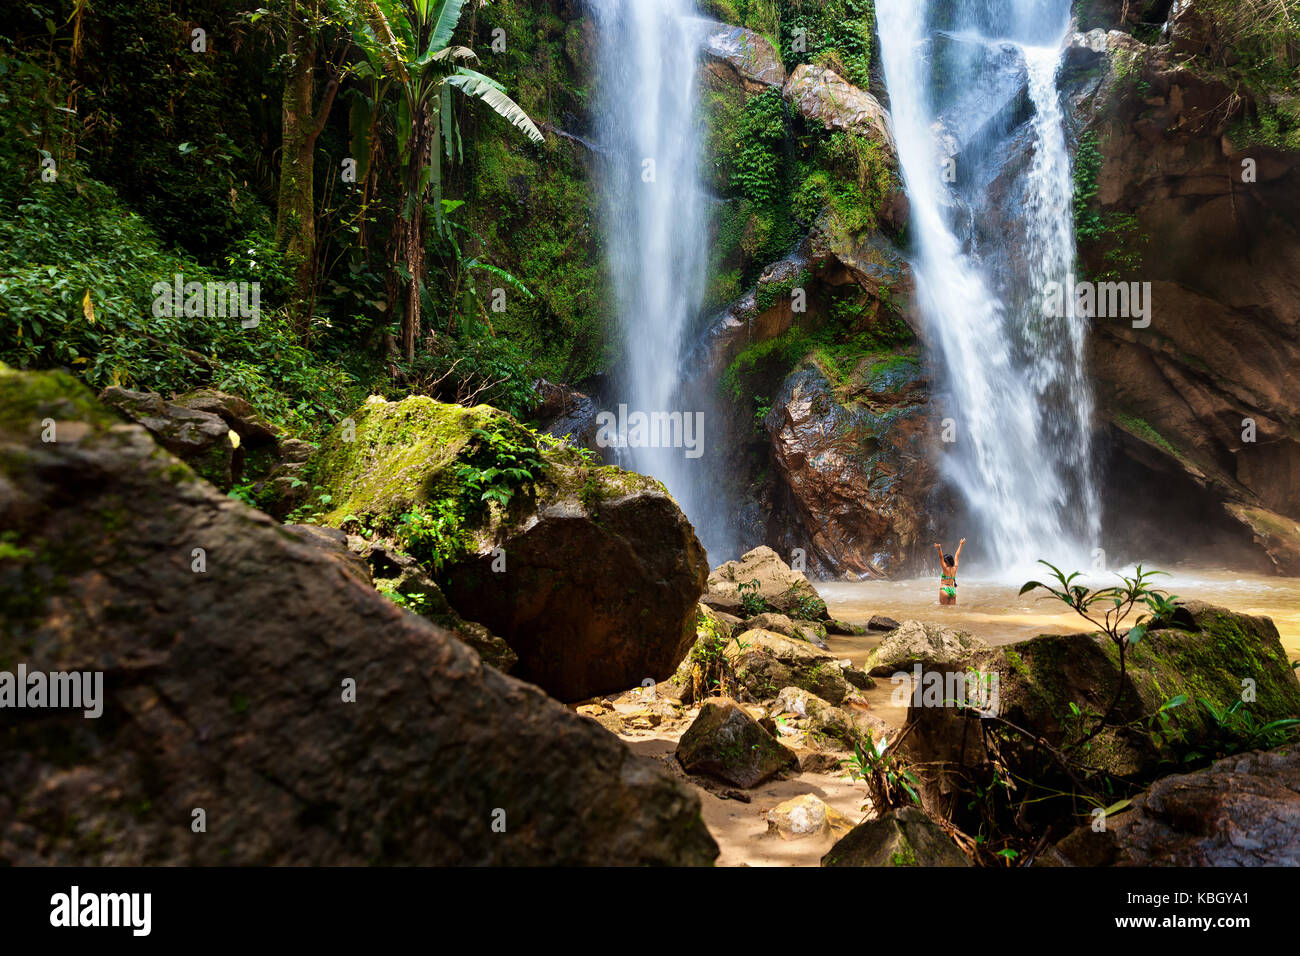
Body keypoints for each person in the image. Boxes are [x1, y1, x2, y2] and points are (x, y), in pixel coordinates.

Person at [934, 538, 965, 605]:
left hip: (944, 589)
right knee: (952, 610)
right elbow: (957, 555)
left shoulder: (945, 568)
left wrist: (939, 548)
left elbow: (941, 557)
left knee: (943, 610)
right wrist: (961, 544)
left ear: (946, 562)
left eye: (944, 562)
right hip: (952, 591)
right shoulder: (955, 567)